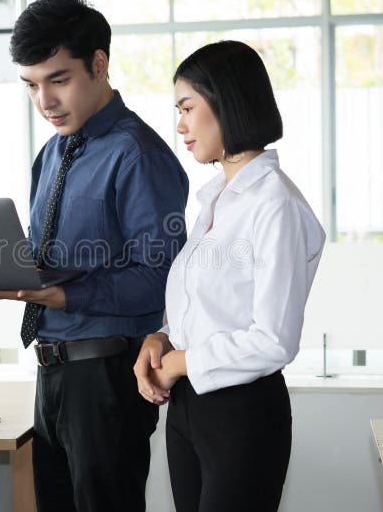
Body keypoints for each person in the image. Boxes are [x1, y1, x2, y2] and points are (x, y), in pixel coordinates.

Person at [0, 0, 189, 512]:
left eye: (58, 80)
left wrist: (56, 294)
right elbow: (52, 256)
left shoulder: (138, 155)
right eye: (31, 85)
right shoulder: (53, 151)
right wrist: (1, 269)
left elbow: (160, 279)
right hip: (52, 370)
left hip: (108, 376)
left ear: (99, 64)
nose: (45, 101)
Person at [133, 40, 326, 512]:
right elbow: (206, 309)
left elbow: (274, 340)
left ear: (225, 103)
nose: (179, 125)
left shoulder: (274, 204)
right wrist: (160, 339)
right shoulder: (216, 198)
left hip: (242, 413)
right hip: (188, 410)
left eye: (187, 107)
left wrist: (180, 362)